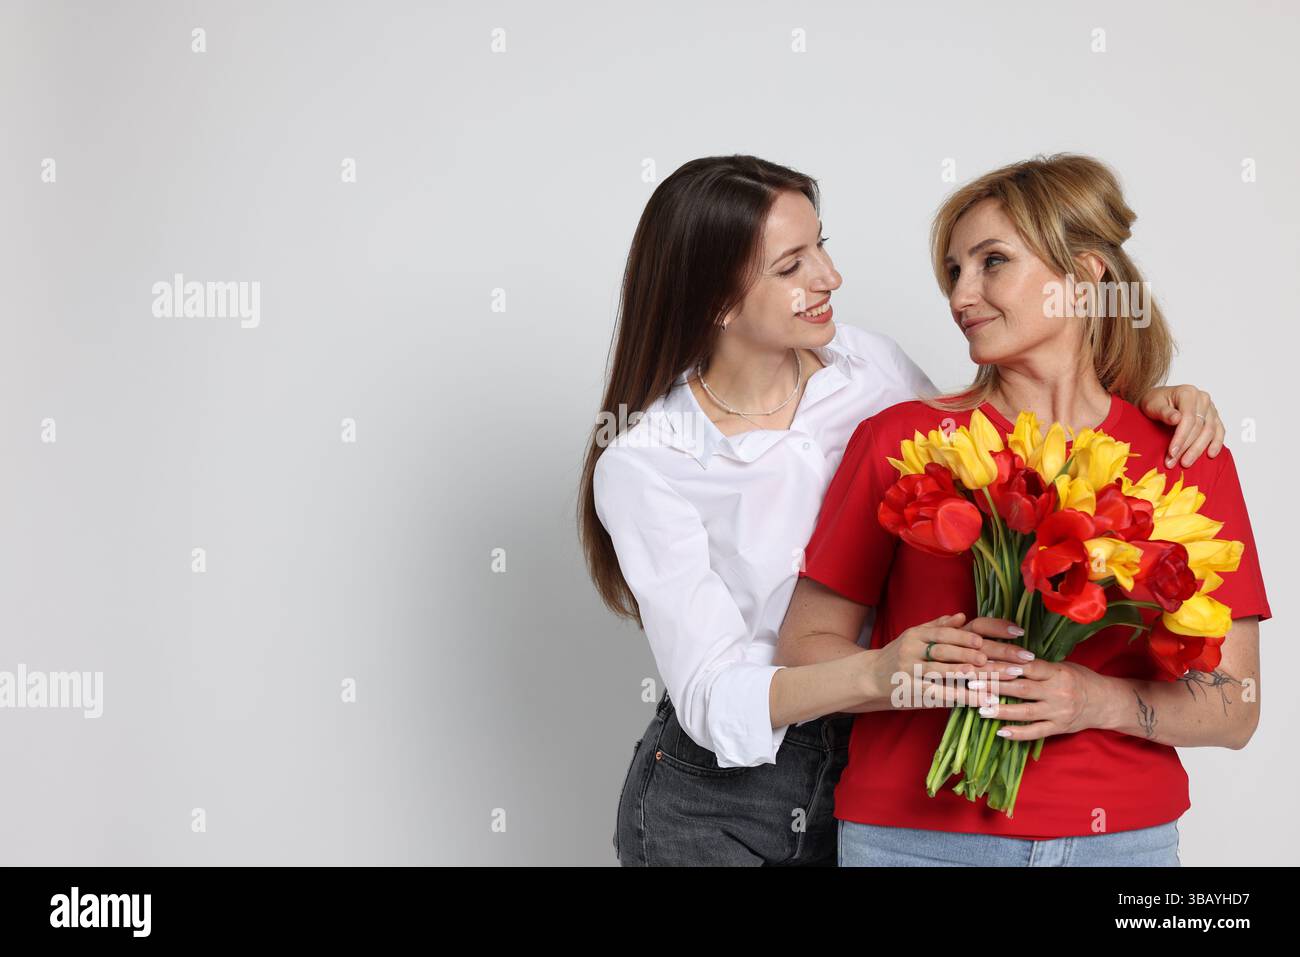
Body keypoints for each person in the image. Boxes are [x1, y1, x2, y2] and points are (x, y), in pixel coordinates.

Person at [578, 154, 1225, 866]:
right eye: (791, 266)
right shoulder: (646, 464)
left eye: (821, 244)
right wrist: (882, 674)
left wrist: (1157, 398)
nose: (829, 276)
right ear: (719, 303)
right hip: (726, 792)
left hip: (877, 757)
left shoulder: (870, 368)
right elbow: (707, 695)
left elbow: (994, 438)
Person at [777, 153, 1269, 867]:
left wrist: (1095, 698)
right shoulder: (903, 440)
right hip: (918, 840)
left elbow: (1236, 704)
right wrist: (906, 670)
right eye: (953, 271)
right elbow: (801, 652)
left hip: (1121, 843)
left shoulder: (1184, 455)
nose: (961, 294)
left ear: (1087, 274)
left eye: (992, 261)